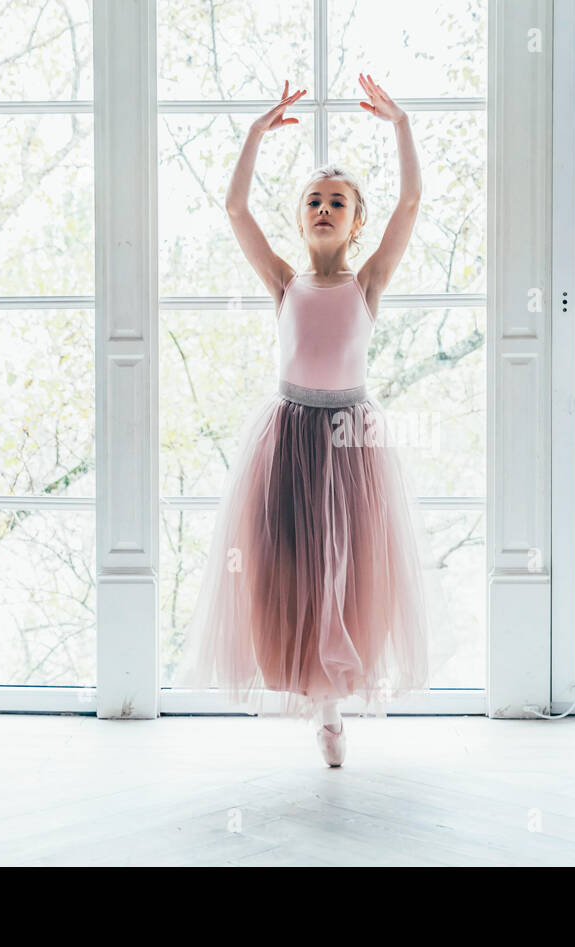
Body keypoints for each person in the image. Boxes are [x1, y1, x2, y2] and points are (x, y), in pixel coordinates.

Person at [171, 74, 430, 768]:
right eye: (313, 199)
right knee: (288, 562)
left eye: (336, 201)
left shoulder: (366, 282)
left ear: (355, 221)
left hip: (350, 438)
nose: (322, 207)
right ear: (300, 216)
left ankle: (334, 707)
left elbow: (410, 200)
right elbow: (232, 207)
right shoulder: (284, 283)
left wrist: (400, 125)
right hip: (287, 434)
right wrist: (255, 133)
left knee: (346, 569)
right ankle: (312, 698)